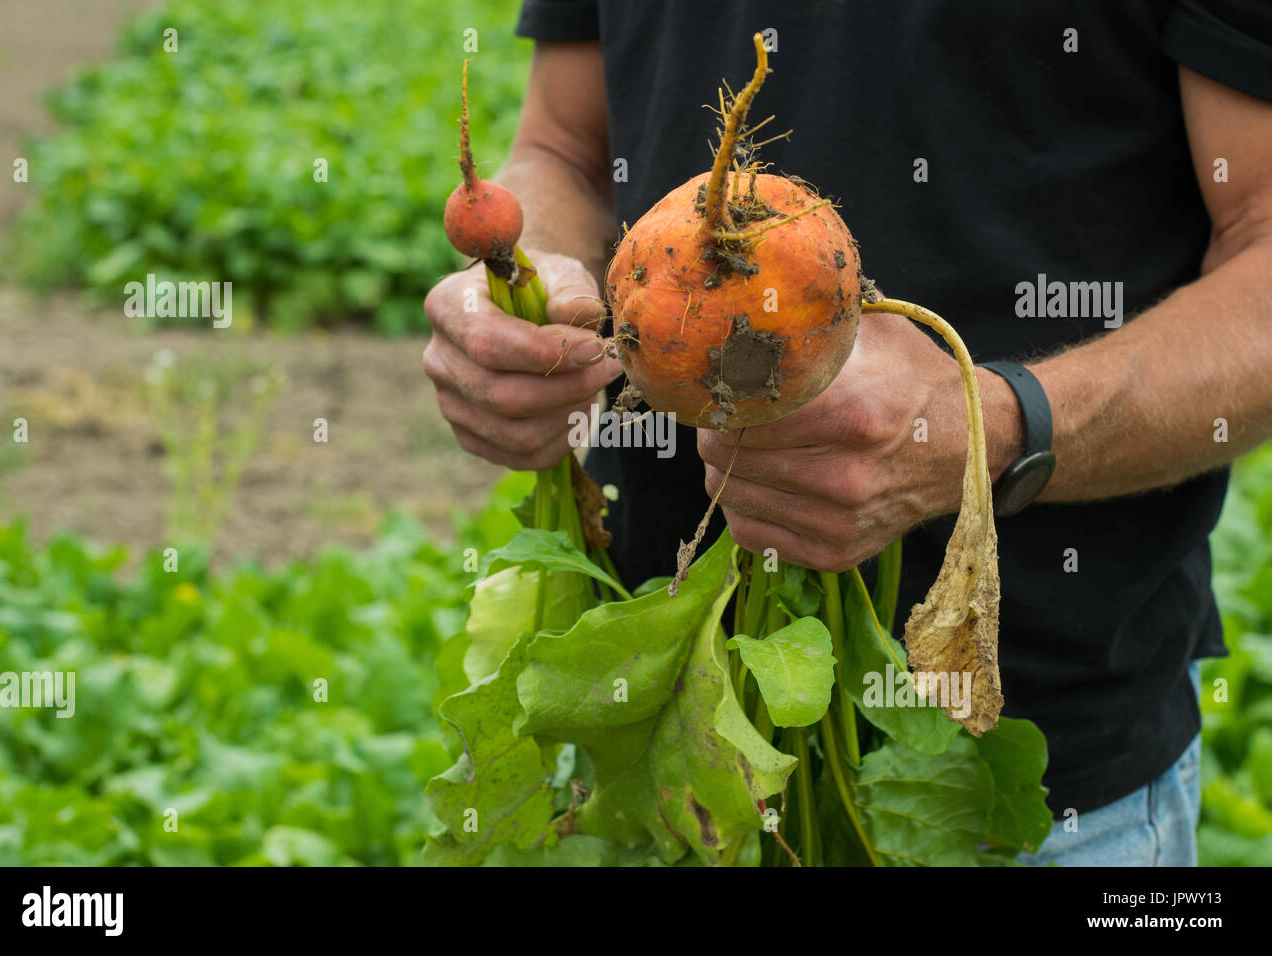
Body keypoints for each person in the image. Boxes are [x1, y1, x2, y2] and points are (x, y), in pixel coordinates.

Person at [423, 1, 1272, 865]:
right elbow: (564, 148)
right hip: (654, 733)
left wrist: (991, 429)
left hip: (1047, 789)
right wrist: (528, 294)